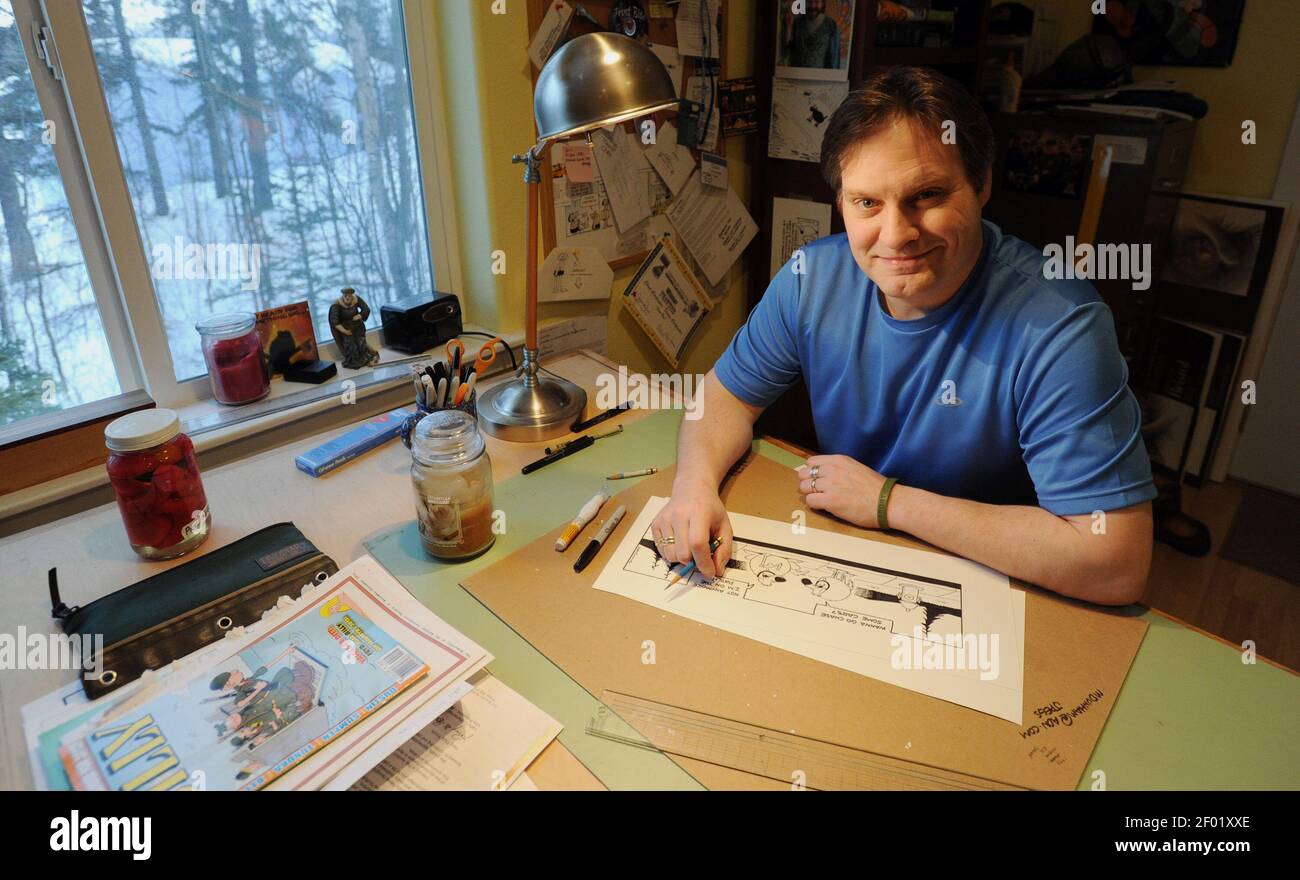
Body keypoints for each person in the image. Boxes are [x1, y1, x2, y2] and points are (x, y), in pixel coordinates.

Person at [654, 67, 1156, 607]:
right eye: (866, 203)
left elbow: (1115, 562)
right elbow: (726, 396)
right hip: (850, 562)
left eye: (926, 195)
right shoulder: (810, 280)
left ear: (982, 183)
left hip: (993, 591)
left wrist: (889, 502)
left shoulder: (1061, 324)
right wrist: (694, 486)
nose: (896, 236)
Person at [330, 287, 380, 368]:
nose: (347, 297)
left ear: (352, 295)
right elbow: (335, 322)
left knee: (361, 344)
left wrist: (360, 315)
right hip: (346, 329)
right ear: (343, 295)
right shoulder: (336, 305)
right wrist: (345, 331)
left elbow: (366, 309)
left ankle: (366, 359)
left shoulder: (356, 299)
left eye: (349, 295)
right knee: (351, 347)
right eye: (345, 295)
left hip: (358, 327)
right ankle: (354, 362)